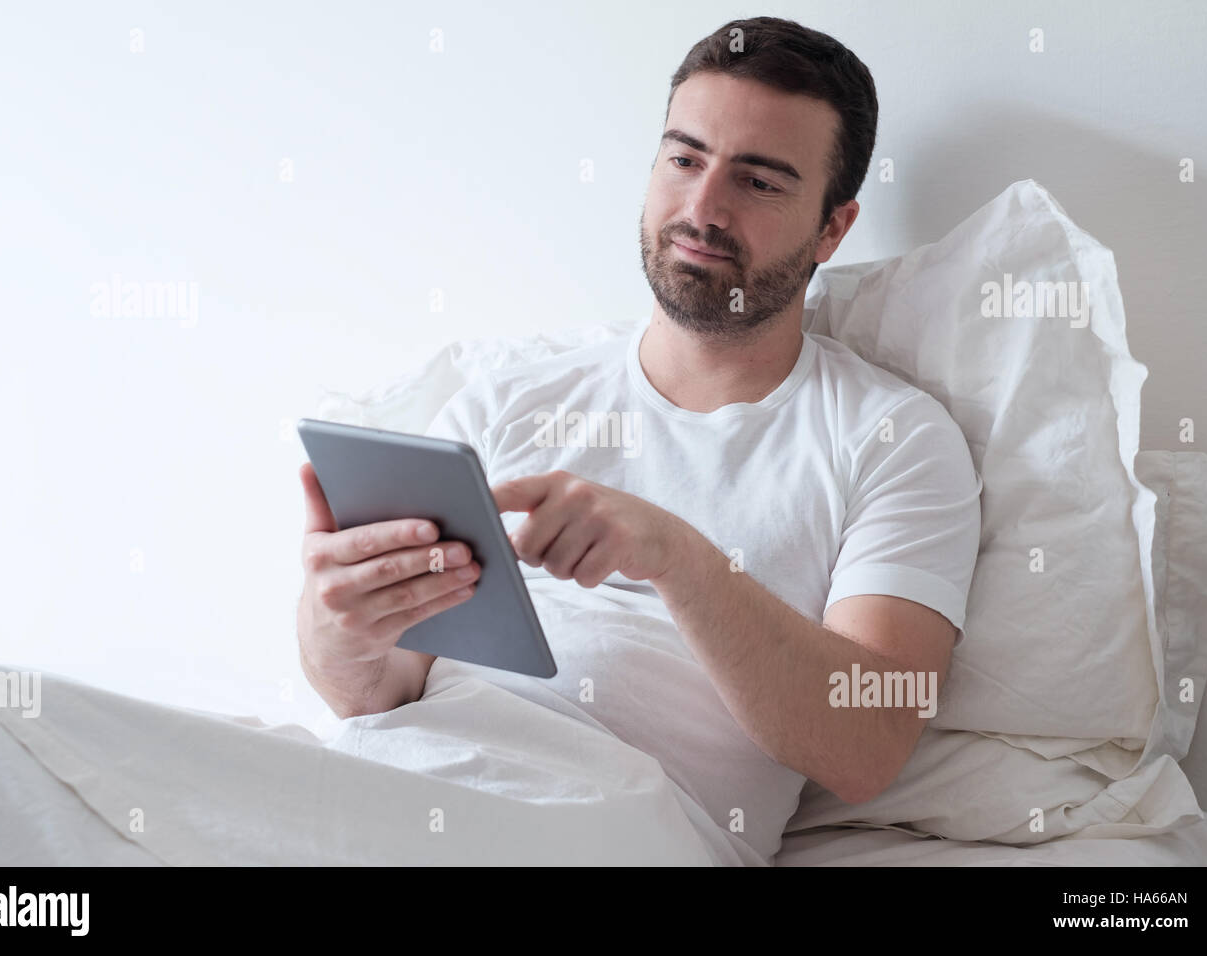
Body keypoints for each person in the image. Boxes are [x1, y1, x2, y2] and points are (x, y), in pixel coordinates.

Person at [296, 16, 982, 865]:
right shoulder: (507, 403)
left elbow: (867, 743)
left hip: (614, 828)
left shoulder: (891, 439)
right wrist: (343, 632)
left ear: (832, 231)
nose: (703, 208)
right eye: (684, 159)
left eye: (759, 183)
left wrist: (675, 556)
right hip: (389, 785)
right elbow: (378, 694)